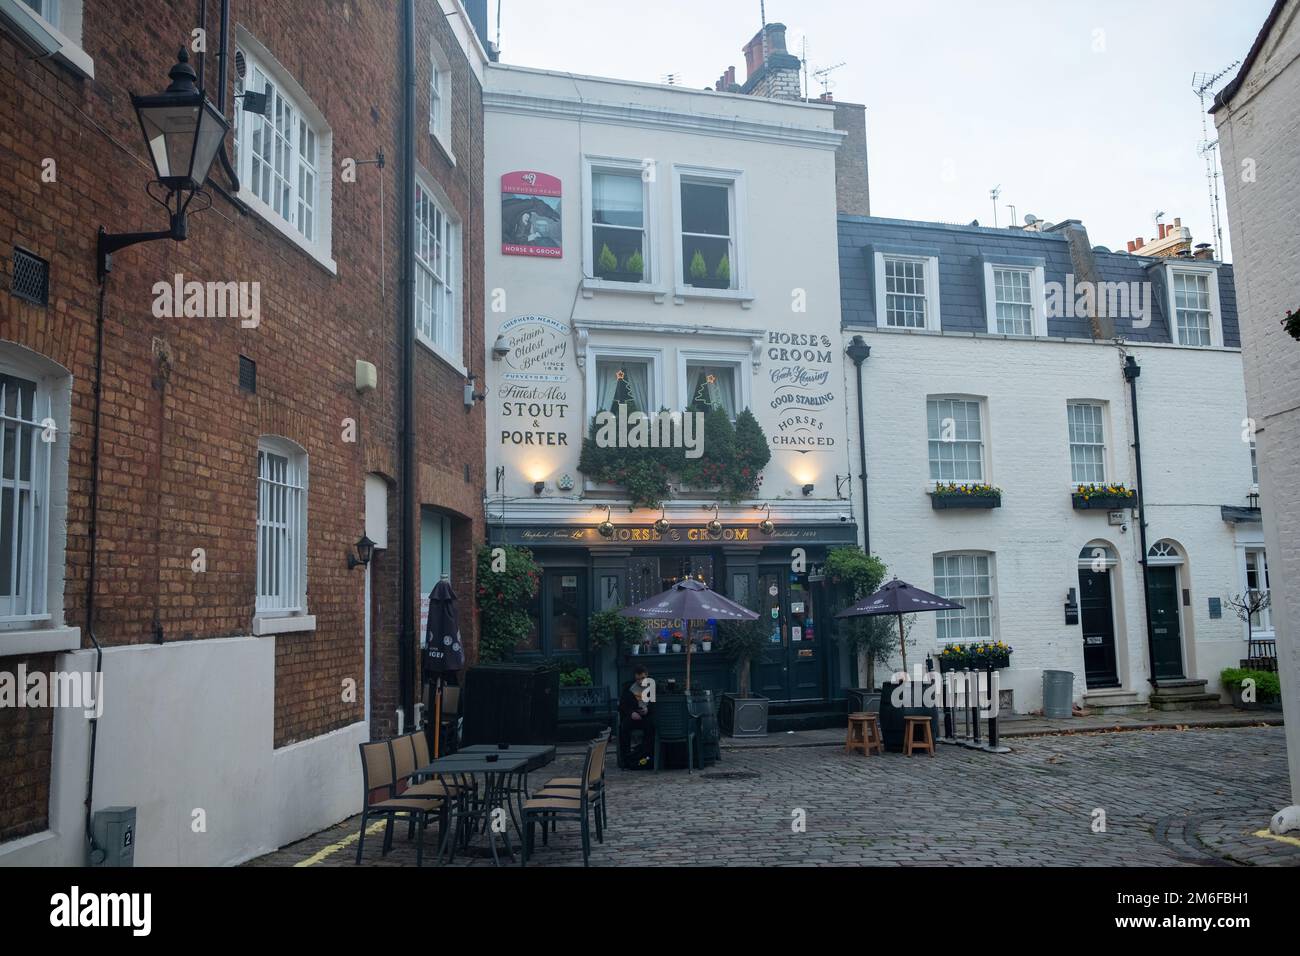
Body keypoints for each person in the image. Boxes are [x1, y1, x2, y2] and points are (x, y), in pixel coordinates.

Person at [618, 667, 655, 769]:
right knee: (624, 727)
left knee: (651, 727)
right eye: (638, 679)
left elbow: (655, 704)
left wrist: (648, 710)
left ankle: (645, 756)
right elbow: (622, 705)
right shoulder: (628, 688)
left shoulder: (652, 687)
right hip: (633, 716)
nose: (640, 681)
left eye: (642, 678)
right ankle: (626, 758)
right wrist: (631, 713)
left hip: (647, 717)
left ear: (647, 675)